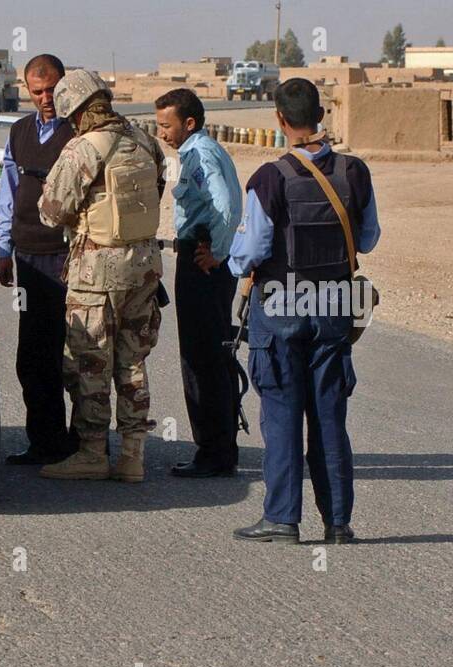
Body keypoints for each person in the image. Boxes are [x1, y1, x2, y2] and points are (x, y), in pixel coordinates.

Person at [228, 78, 379, 543]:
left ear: (279, 119)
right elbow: (368, 239)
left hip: (279, 308)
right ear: (321, 115)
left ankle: (282, 519)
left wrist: (235, 259)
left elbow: (250, 252)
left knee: (282, 415)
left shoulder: (270, 178)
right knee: (330, 416)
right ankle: (338, 523)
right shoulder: (354, 172)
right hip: (333, 307)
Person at [37, 69, 166, 482]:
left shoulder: (83, 149)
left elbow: (51, 210)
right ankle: (132, 457)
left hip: (96, 274)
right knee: (132, 363)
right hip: (144, 268)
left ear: (74, 112)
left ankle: (93, 452)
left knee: (91, 363)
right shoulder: (145, 141)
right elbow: (155, 192)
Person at [154, 87, 243, 478]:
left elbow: (224, 204)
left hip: (202, 258)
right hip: (204, 256)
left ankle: (213, 453)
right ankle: (219, 449)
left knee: (201, 358)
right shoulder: (201, 151)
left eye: (166, 126)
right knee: (212, 356)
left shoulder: (200, 153)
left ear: (188, 123)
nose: (162, 134)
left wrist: (219, 251)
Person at [0, 53, 78, 466]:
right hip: (29, 258)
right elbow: (8, 191)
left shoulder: (81, 131)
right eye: (38, 91)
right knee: (34, 357)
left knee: (80, 355)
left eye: (53, 89)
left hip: (72, 259)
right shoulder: (19, 132)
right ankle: (44, 442)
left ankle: (82, 447)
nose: (47, 98)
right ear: (27, 90)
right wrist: (3, 247)